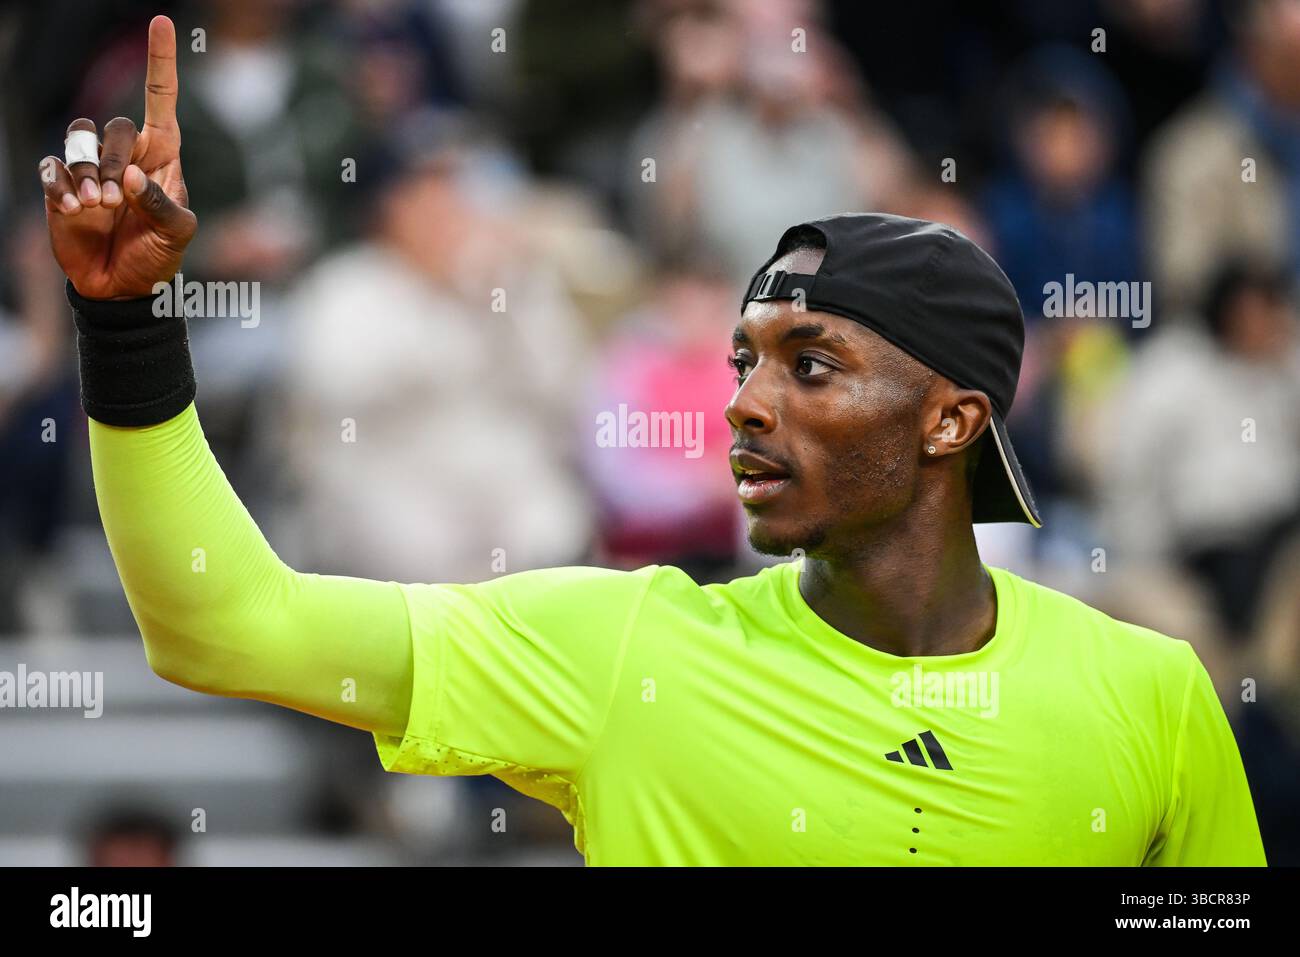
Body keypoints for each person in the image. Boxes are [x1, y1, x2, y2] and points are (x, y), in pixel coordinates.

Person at [39, 16, 1265, 865]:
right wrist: (123, 323)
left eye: (813, 366)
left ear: (952, 420)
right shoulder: (621, 649)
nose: (741, 403)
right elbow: (223, 625)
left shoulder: (1152, 697)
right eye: (743, 361)